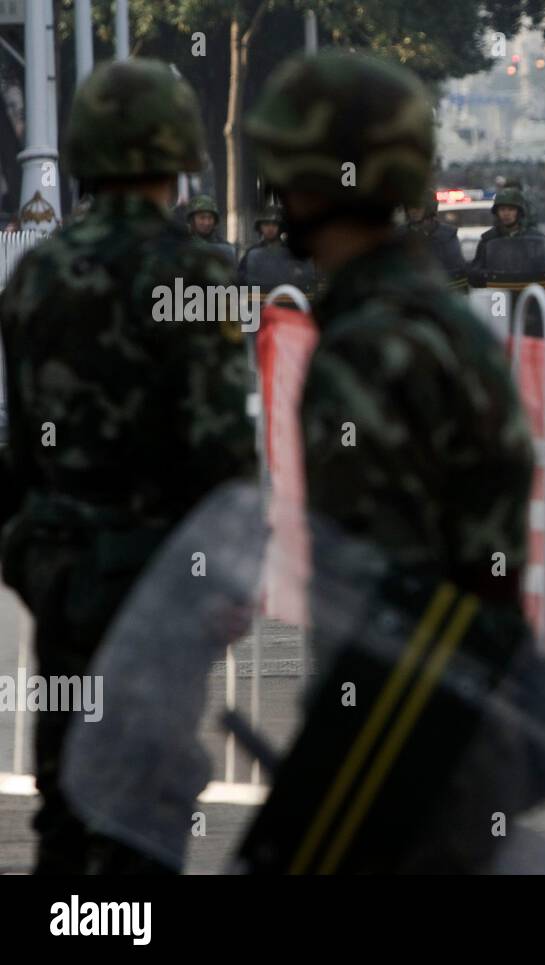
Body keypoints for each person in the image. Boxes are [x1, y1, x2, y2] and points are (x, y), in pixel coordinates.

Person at [240, 50, 545, 873]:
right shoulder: (438, 320)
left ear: (309, 181)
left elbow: (383, 593)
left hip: (406, 732)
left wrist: (326, 793)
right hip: (466, 707)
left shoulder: (369, 344)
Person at [0, 58, 257, 874]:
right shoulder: (200, 273)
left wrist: (32, 552)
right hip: (161, 580)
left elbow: (22, 433)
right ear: (177, 151)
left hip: (62, 569)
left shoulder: (36, 272)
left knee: (68, 795)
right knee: (144, 805)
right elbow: (221, 450)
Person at [237, 203, 317, 298]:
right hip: (258, 300)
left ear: (281, 227)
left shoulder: (294, 251)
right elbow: (241, 279)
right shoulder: (252, 253)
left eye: (274, 224)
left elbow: (307, 278)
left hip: (289, 299)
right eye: (266, 224)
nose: (270, 228)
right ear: (260, 227)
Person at [186, 193, 238, 268]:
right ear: (192, 220)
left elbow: (232, 277)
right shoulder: (182, 246)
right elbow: (177, 278)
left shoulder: (225, 249)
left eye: (210, 218)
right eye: (202, 218)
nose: (206, 222)